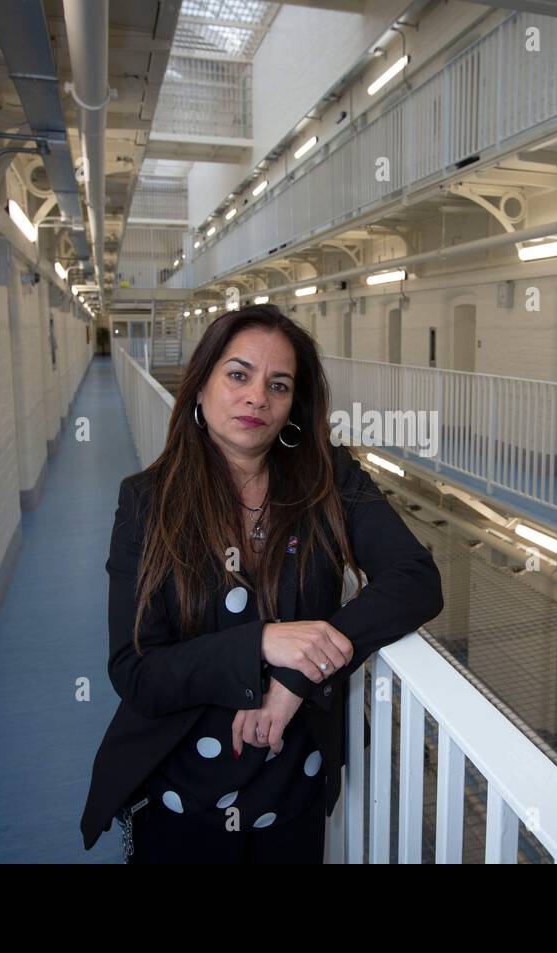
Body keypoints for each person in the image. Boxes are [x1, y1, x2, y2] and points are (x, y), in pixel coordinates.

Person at [80, 303, 444, 863]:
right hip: (183, 801)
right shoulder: (147, 502)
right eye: (238, 375)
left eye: (278, 384)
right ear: (200, 386)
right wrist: (262, 641)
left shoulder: (330, 478)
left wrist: (300, 673)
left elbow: (415, 579)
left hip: (293, 795)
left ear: (292, 405)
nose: (257, 398)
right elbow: (137, 670)